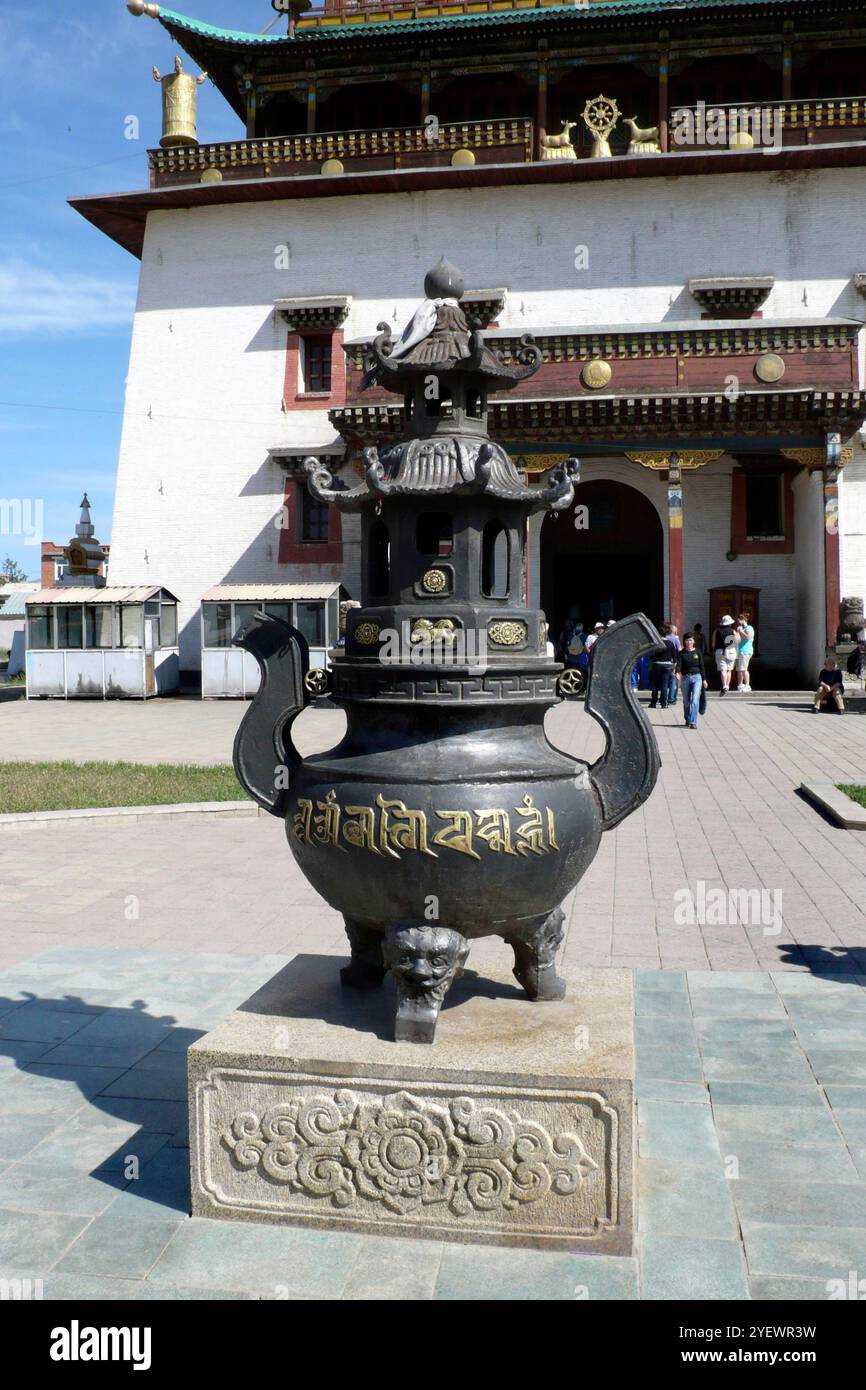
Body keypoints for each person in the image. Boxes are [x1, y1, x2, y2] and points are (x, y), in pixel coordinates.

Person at [676, 632, 707, 730]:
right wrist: (677, 672)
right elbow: (679, 665)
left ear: (693, 641)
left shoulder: (698, 652)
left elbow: (702, 666)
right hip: (685, 678)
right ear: (684, 641)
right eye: (687, 640)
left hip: (697, 677)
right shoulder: (681, 653)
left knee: (694, 700)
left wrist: (704, 679)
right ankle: (688, 718)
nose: (689, 642)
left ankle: (693, 722)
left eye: (690, 640)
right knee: (686, 701)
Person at [649, 623, 677, 709]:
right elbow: (675, 658)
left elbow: (651, 655)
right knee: (664, 685)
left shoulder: (656, 643)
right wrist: (674, 668)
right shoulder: (670, 643)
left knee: (655, 684)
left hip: (657, 664)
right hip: (667, 666)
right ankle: (664, 703)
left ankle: (653, 702)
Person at [713, 613, 739, 695]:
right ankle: (727, 685)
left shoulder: (716, 631)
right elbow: (738, 641)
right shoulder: (733, 631)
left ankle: (724, 685)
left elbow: (713, 643)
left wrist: (714, 650)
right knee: (729, 670)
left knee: (723, 669)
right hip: (731, 651)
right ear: (730, 623)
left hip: (720, 651)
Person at [735, 612, 755, 691]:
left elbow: (748, 637)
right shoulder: (741, 629)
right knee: (739, 669)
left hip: (746, 651)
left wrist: (741, 631)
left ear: (743, 620)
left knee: (744, 669)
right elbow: (737, 640)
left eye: (739, 620)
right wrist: (737, 632)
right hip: (739, 651)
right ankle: (740, 685)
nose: (738, 622)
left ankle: (747, 685)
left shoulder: (749, 628)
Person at [666, 623, 682, 706]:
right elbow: (679, 650)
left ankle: (664, 697)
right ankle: (671, 698)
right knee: (673, 680)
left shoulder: (665, 637)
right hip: (673, 662)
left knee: (665, 680)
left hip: (665, 661)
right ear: (674, 630)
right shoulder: (675, 638)